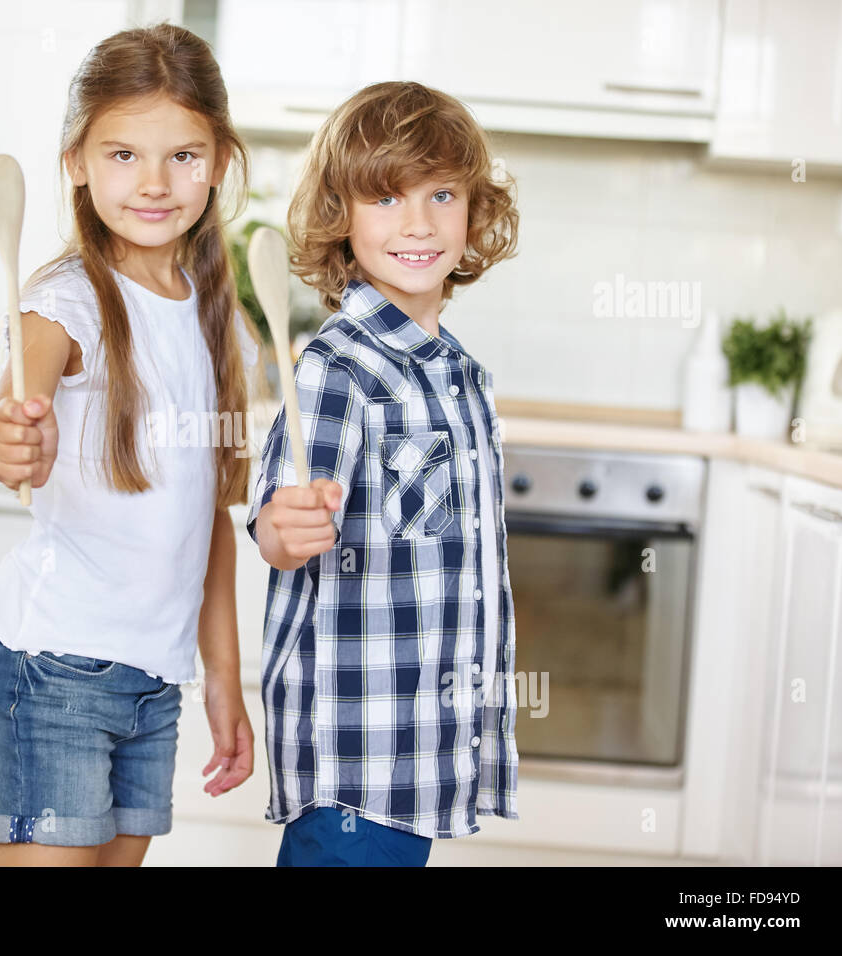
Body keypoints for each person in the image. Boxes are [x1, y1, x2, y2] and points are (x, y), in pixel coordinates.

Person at [0, 22, 260, 867]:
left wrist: (223, 683)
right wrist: (5, 439)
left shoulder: (216, 319)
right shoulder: (66, 302)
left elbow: (209, 523)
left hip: (151, 689)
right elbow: (11, 411)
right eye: (124, 154)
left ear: (219, 162)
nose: (156, 183)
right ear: (76, 161)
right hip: (48, 673)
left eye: (184, 155)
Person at [247, 80, 522, 866]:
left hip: (423, 749)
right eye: (386, 199)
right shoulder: (338, 367)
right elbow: (278, 521)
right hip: (357, 753)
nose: (419, 223)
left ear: (474, 212)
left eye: (441, 194)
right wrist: (284, 526)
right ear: (342, 217)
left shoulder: (458, 373)